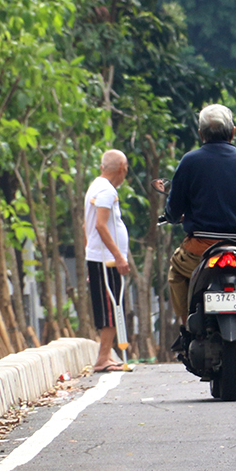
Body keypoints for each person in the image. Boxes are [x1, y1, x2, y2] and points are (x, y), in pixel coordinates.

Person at [165, 104, 236, 328]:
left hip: (200, 250)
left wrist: (171, 216)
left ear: (201, 134)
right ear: (233, 132)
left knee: (176, 273)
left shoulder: (189, 162)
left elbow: (174, 208)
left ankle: (186, 325)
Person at [84, 149, 132, 373]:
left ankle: (106, 356)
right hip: (107, 260)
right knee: (110, 309)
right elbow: (100, 225)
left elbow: (87, 226)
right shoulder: (106, 191)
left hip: (99, 258)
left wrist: (90, 253)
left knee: (109, 307)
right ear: (122, 169)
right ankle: (103, 358)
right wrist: (119, 256)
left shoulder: (96, 186)